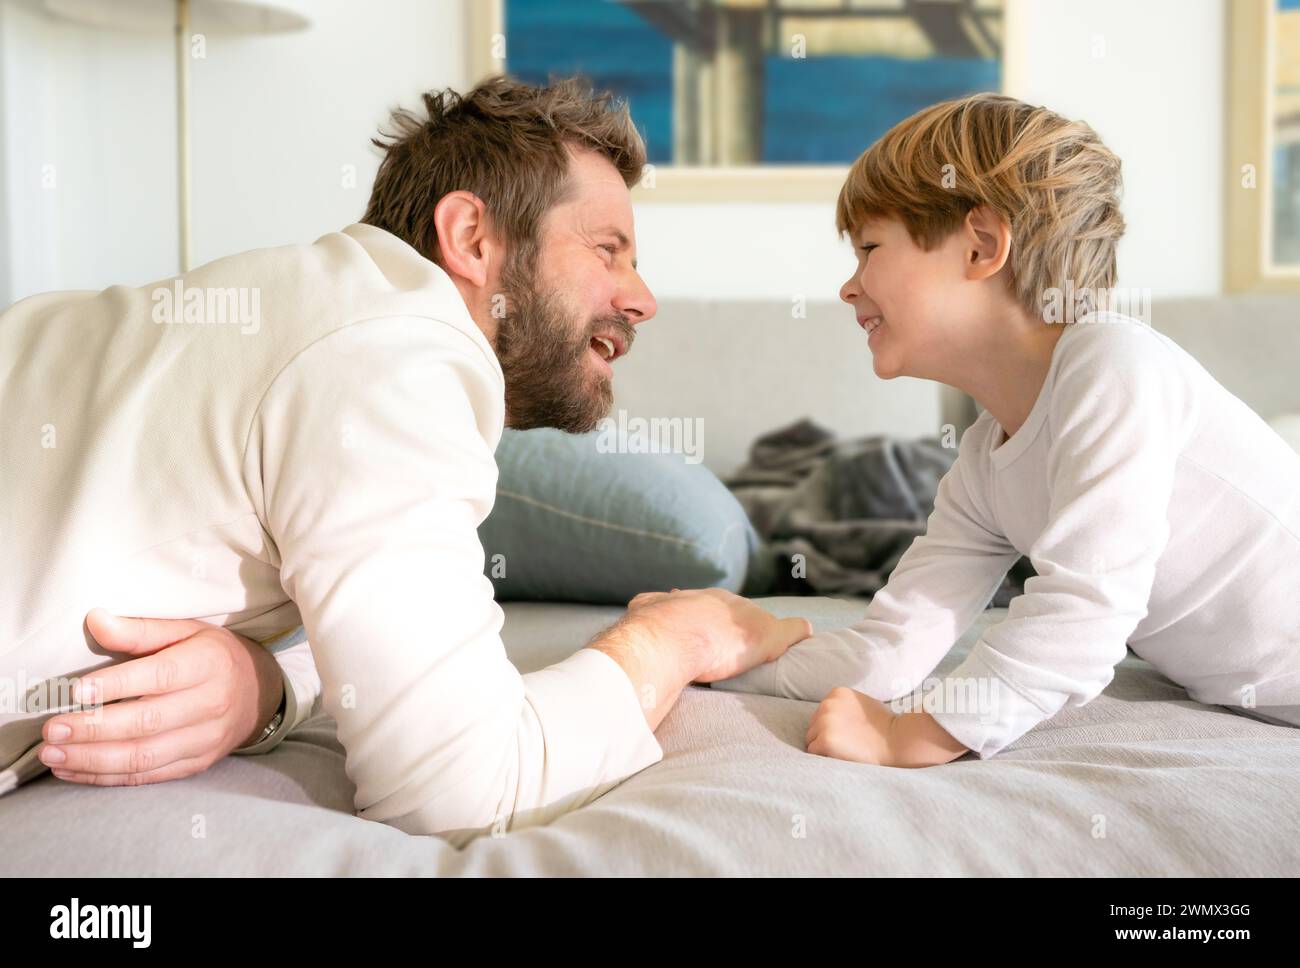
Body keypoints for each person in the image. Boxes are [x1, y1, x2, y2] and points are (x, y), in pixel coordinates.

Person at [1, 76, 811, 845]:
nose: (643, 297)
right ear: (471, 237)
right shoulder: (395, 357)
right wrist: (673, 640)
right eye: (608, 248)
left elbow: (357, 623)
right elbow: (464, 791)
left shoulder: (329, 314)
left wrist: (268, 690)